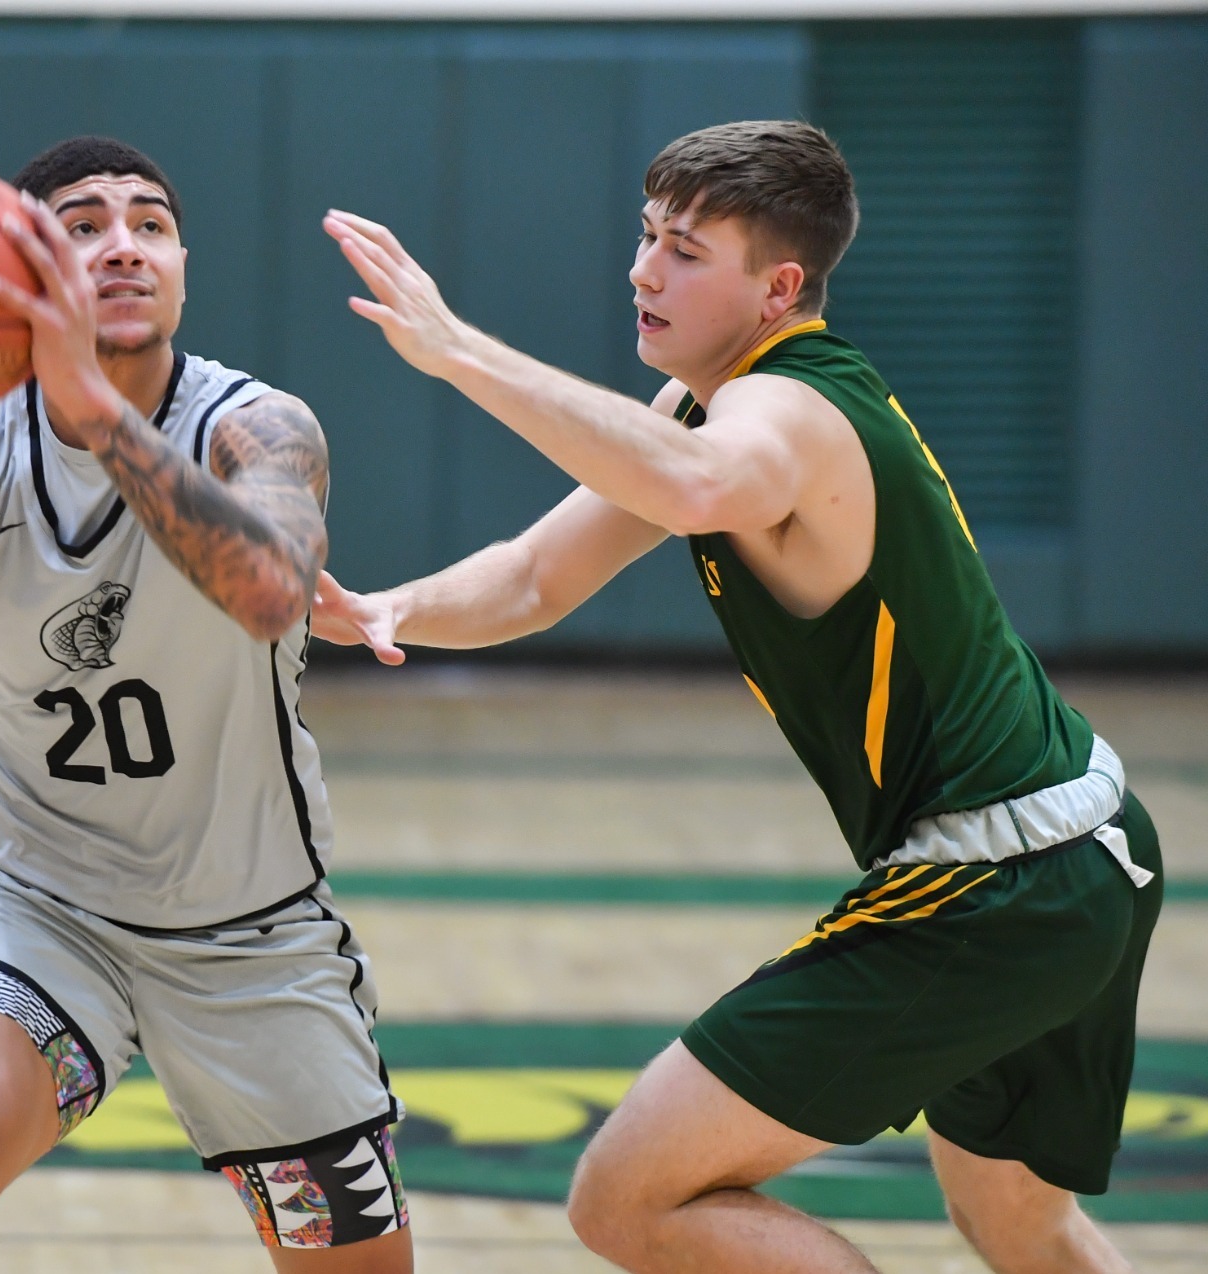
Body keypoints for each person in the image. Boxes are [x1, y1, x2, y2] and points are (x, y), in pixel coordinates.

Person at [313, 119, 1160, 1274]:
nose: (641, 271)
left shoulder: (784, 414)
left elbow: (701, 485)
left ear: (778, 288)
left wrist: (458, 350)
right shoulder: (702, 405)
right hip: (1085, 842)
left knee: (627, 1196)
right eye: (645, 235)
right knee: (1016, 1218)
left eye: (683, 250)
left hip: (998, 879)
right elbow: (531, 576)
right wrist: (389, 607)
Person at [0, 136, 411, 1274]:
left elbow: (270, 593)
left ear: (181, 269)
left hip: (251, 932)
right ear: (17, 273)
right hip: (39, 904)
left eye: (150, 224)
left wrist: (95, 410)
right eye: (82, 226)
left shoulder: (259, 425)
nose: (124, 245)